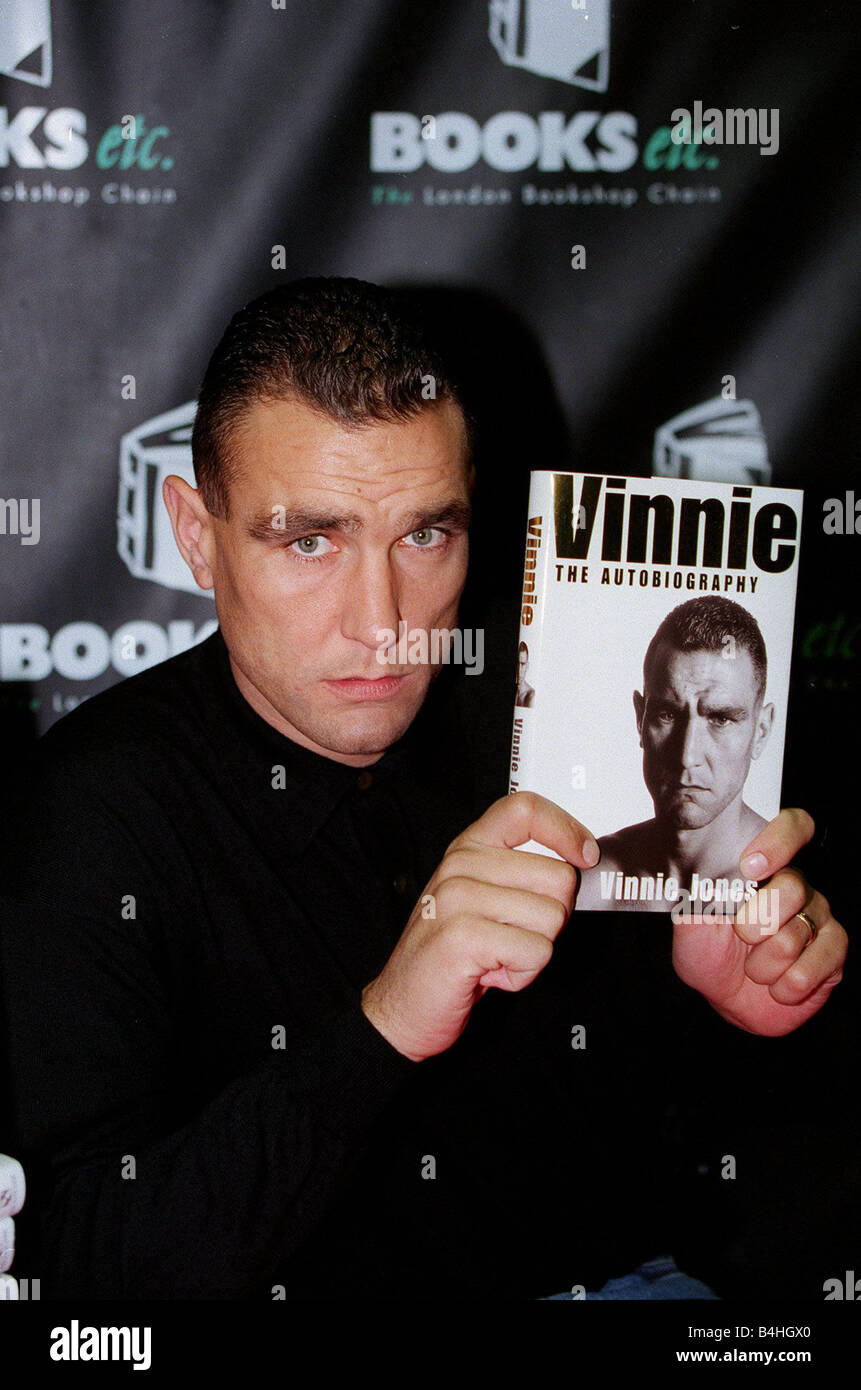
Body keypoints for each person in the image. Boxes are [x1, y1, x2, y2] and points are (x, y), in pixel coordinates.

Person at [0, 279, 847, 1300]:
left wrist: (733, 1014)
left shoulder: (568, 720)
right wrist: (382, 1028)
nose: (382, 618)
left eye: (425, 535)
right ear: (195, 531)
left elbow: (711, 1182)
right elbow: (84, 1272)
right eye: (310, 541)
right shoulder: (94, 812)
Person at [577, 596, 779, 915]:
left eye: (720, 718)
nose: (687, 756)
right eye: (667, 715)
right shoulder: (592, 880)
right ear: (640, 719)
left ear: (762, 731)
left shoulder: (788, 890)